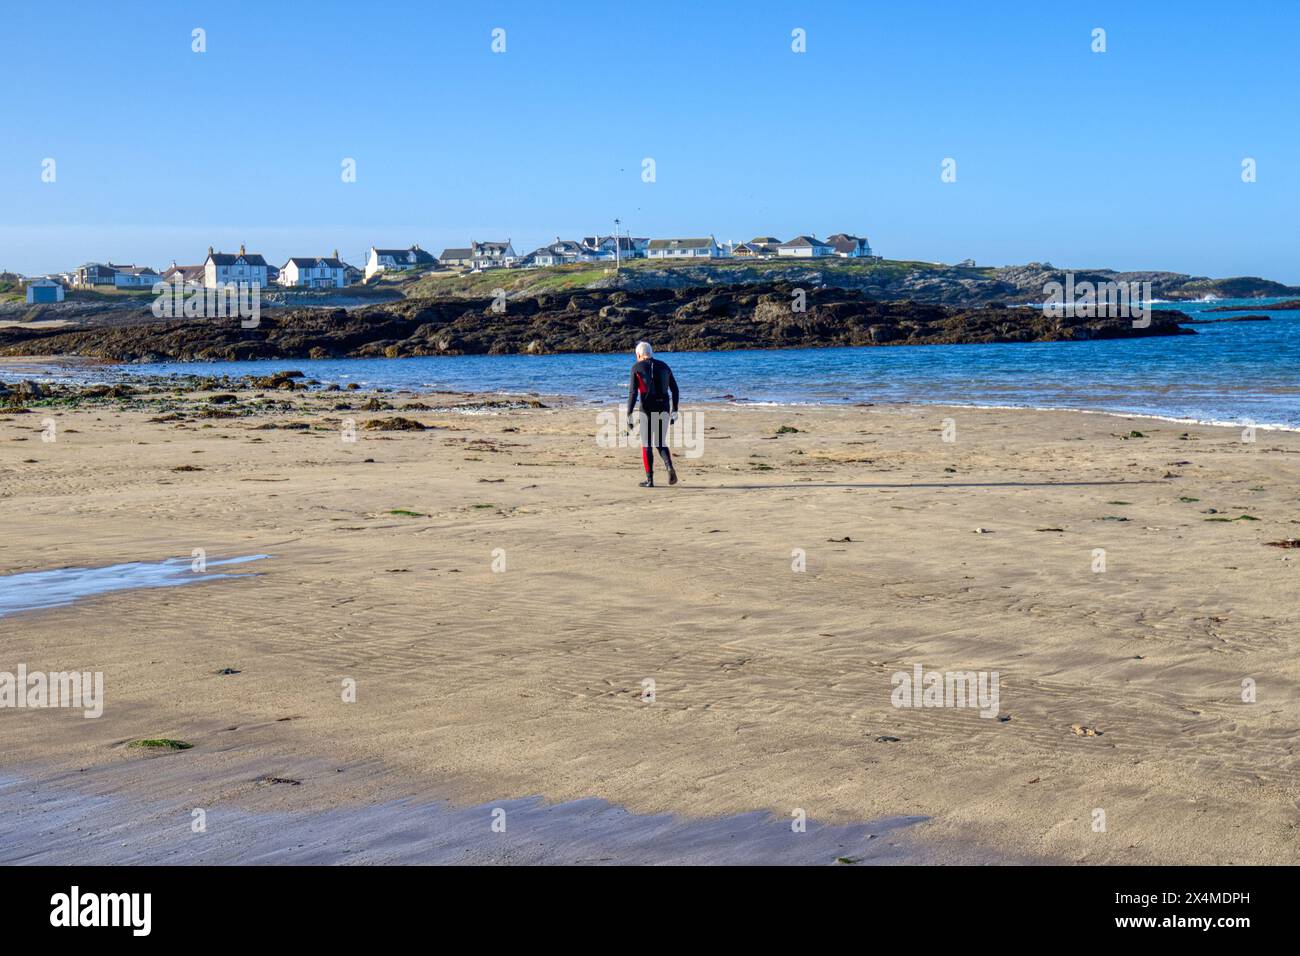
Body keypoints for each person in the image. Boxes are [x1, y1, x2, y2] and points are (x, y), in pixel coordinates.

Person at [626, 341, 680, 488]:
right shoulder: (664, 366)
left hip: (647, 408)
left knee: (646, 444)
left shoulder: (636, 368)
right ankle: (669, 467)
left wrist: (629, 413)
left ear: (638, 355)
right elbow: (675, 390)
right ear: (651, 353)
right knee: (660, 442)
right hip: (664, 407)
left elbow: (632, 393)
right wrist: (674, 410)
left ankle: (650, 480)